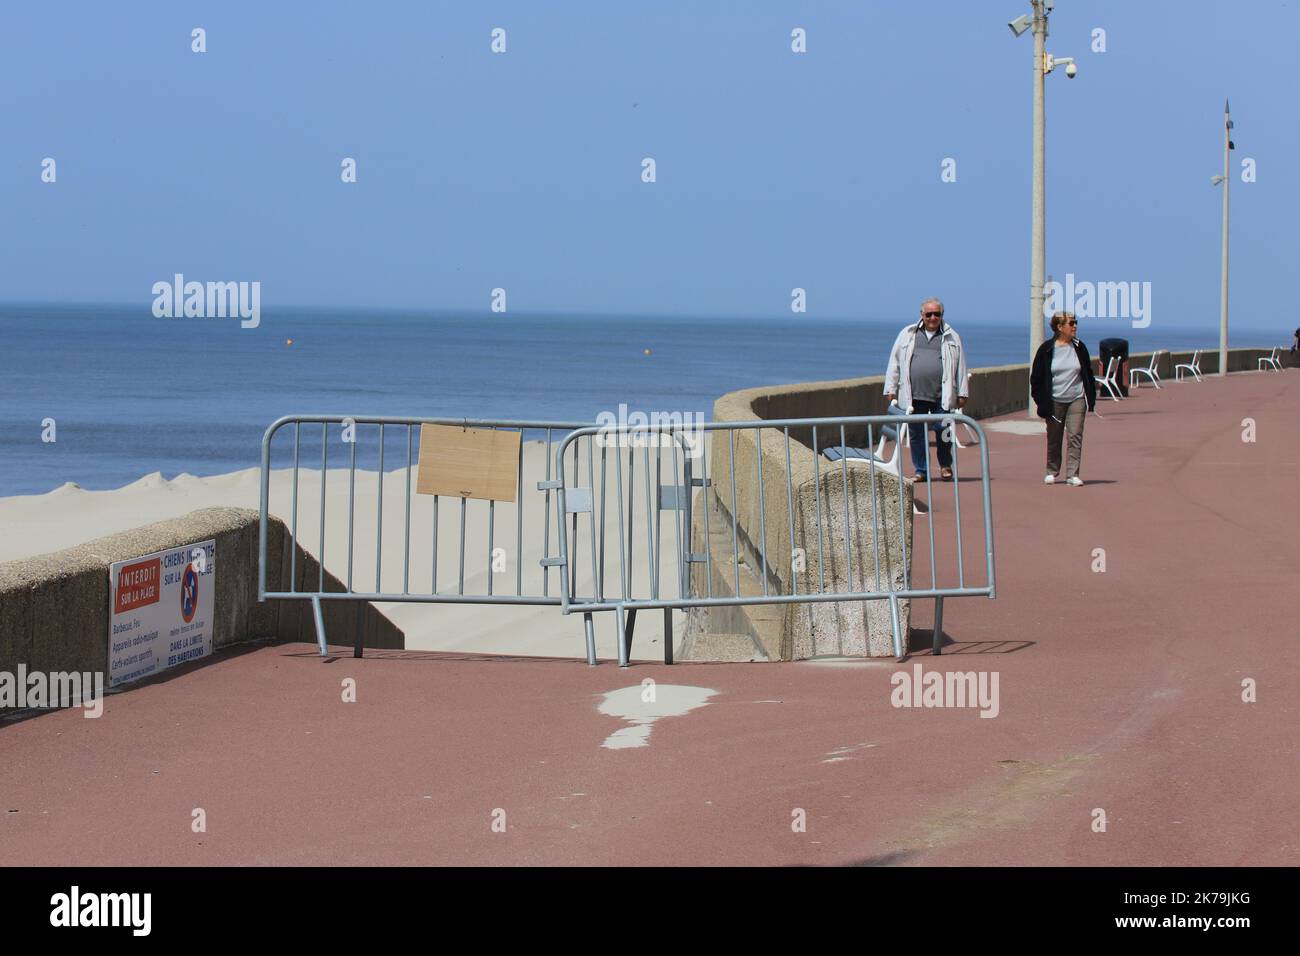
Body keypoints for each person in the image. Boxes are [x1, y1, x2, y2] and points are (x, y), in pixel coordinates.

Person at [884, 297, 970, 482]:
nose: (932, 317)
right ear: (921, 315)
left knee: (943, 431)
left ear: (942, 315)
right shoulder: (907, 334)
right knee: (916, 434)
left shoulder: (952, 336)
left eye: (936, 314)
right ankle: (921, 470)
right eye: (928, 314)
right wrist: (890, 388)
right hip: (914, 395)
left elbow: (961, 366)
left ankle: (945, 465)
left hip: (942, 395)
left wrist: (962, 392)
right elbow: (895, 362)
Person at [1030, 311, 1097, 486]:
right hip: (1054, 400)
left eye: (1076, 323)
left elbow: (1088, 372)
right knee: (1054, 437)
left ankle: (1072, 474)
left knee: (1075, 435)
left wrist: (1091, 396)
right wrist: (1041, 401)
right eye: (1071, 323)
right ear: (1059, 327)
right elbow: (1036, 379)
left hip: (1076, 398)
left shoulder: (1079, 347)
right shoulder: (1046, 349)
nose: (1075, 326)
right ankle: (1052, 471)